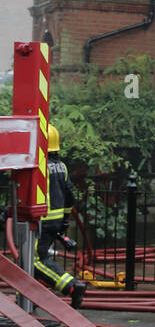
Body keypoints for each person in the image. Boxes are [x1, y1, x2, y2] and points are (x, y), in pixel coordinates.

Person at [33, 124, 87, 309]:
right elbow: (70, 196)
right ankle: (28, 299)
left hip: (41, 220)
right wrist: (65, 220)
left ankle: (71, 287)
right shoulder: (62, 167)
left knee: (34, 261)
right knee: (34, 259)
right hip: (55, 221)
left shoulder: (40, 167)